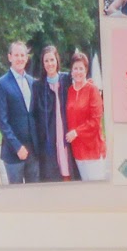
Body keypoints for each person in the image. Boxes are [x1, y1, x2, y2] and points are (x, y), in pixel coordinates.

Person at [0, 40, 39, 183]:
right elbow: (2, 121)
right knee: (16, 197)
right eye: (16, 55)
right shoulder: (2, 84)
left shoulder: (32, 82)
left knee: (35, 195)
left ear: (27, 58)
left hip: (33, 151)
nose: (20, 58)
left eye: (23, 55)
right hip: (13, 153)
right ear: (10, 57)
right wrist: (17, 147)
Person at [63, 50, 106, 180]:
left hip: (92, 149)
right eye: (75, 68)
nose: (78, 72)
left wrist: (76, 132)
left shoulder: (92, 90)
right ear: (71, 71)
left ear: (86, 70)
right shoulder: (69, 91)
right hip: (77, 150)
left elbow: (95, 121)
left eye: (81, 68)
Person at [32, 45, 73, 181]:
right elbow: (34, 115)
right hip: (49, 139)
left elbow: (81, 83)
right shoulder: (38, 86)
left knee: (68, 172)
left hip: (66, 134)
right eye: (46, 61)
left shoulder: (67, 79)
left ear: (57, 60)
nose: (50, 64)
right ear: (43, 64)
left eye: (52, 60)